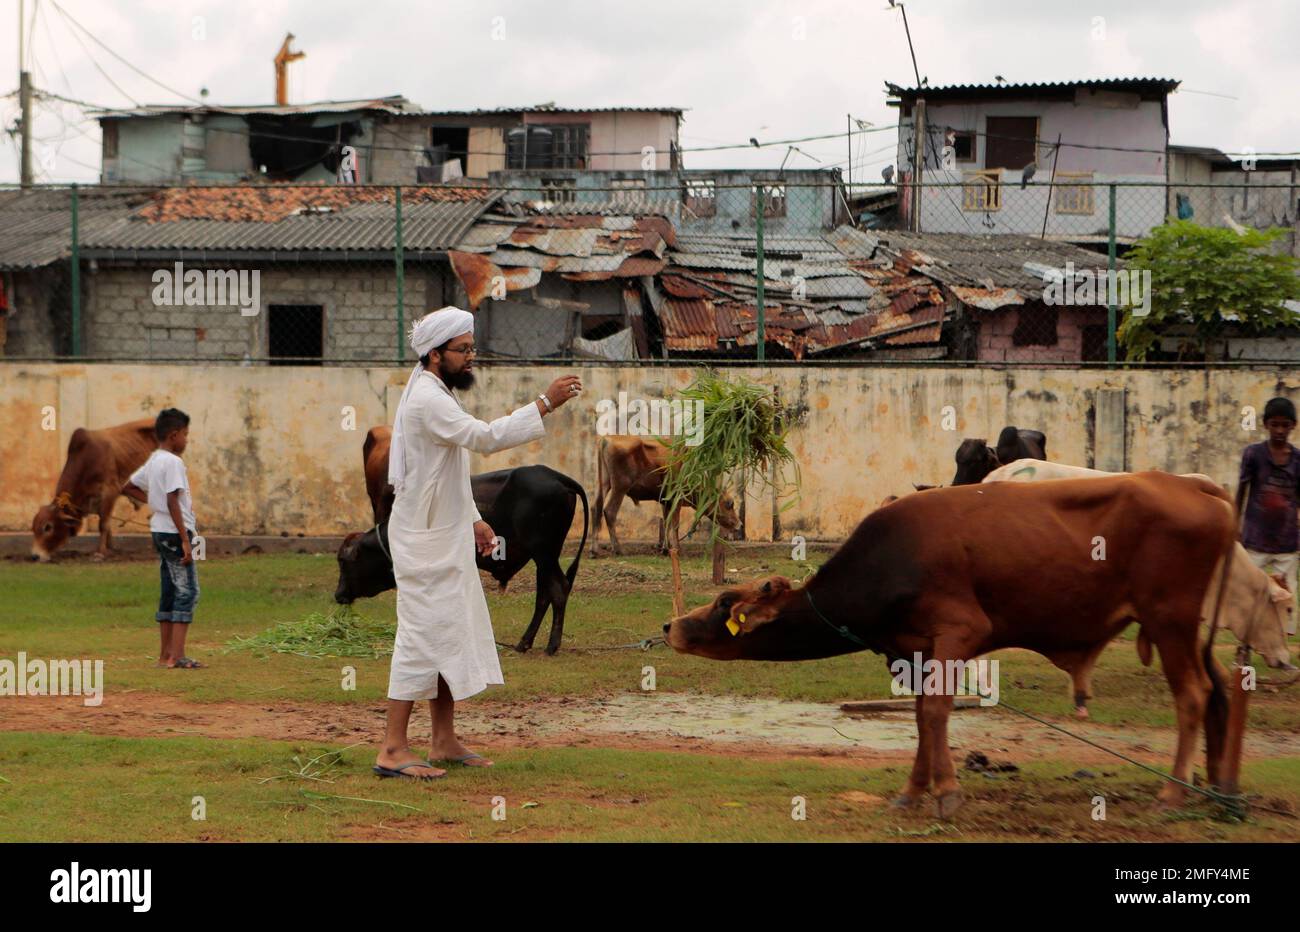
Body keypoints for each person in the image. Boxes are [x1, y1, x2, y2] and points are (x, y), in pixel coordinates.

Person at [374, 307, 582, 781]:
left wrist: (473, 520)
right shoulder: (428, 398)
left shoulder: (436, 390)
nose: (471, 357)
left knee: (449, 633)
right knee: (419, 638)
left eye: (472, 348)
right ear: (434, 354)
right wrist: (543, 405)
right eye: (463, 350)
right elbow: (482, 439)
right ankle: (391, 748)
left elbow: (446, 468)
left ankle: (443, 741)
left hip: (443, 535)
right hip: (424, 543)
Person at [122, 408, 204, 668]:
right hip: (173, 532)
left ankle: (164, 656)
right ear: (174, 435)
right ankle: (177, 657)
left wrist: (153, 503)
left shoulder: (154, 459)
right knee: (187, 591)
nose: (187, 441)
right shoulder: (173, 462)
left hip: (159, 530)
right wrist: (184, 539)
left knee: (169, 589)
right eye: (186, 435)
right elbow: (171, 499)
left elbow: (129, 486)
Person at [1236, 396, 1300, 636]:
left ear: (1293, 425)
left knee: (1285, 600)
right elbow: (1242, 490)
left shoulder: (1297, 460)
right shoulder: (1253, 455)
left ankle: (1281, 650)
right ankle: (1245, 648)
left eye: (1285, 425)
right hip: (1256, 539)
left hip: (1287, 542)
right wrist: (1235, 524)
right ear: (1265, 424)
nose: (1280, 430)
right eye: (1275, 424)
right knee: (1251, 595)